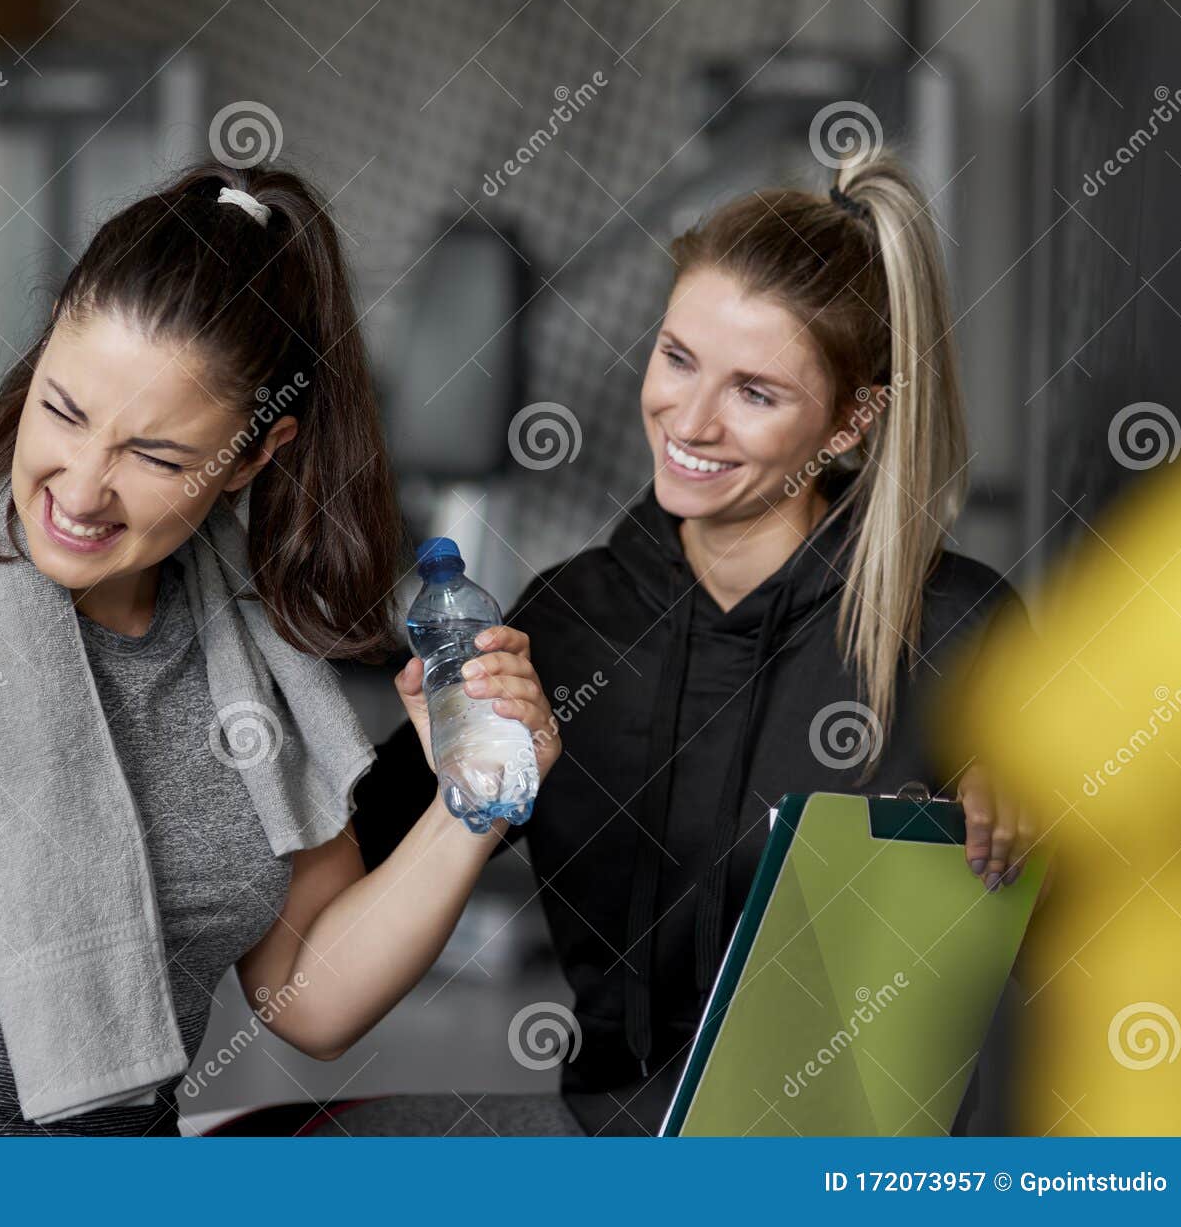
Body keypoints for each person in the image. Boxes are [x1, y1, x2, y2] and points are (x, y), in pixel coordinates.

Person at [0, 162, 561, 1137]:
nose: (78, 490)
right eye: (63, 412)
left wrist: (471, 808)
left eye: (154, 455)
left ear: (253, 454)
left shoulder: (262, 658)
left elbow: (307, 1001)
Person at [344, 149, 1034, 1136]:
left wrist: (1032, 810)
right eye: (677, 358)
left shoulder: (961, 630)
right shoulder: (569, 618)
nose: (690, 419)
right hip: (613, 1138)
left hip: (852, 1165)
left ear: (850, 421)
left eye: (755, 392)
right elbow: (343, 874)